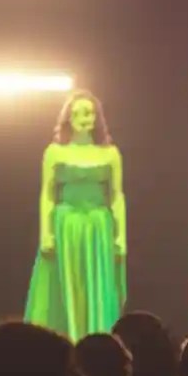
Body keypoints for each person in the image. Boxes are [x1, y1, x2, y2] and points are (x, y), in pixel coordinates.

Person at [24, 90, 127, 340]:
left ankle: (98, 345)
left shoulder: (110, 153)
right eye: (78, 112)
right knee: (66, 289)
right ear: (68, 118)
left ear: (97, 118)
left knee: (97, 289)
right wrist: (46, 233)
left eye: (89, 112)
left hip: (98, 227)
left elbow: (116, 196)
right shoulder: (55, 152)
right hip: (66, 225)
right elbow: (47, 195)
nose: (85, 117)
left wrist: (121, 236)